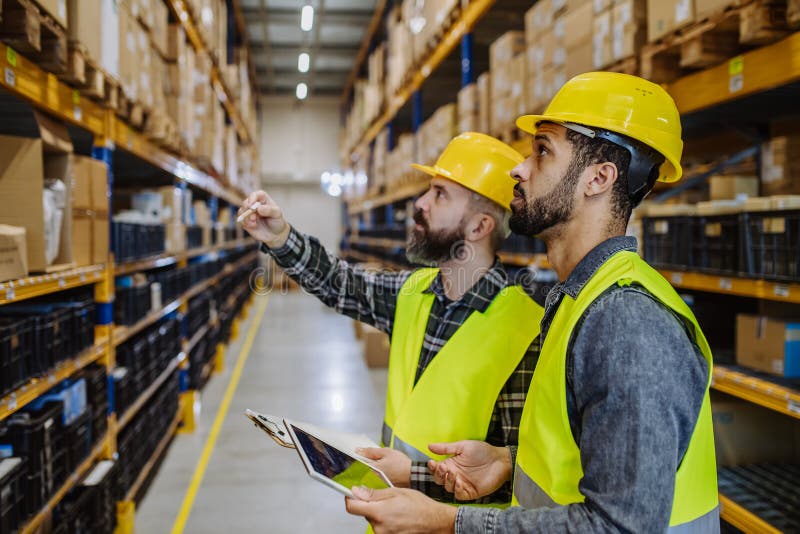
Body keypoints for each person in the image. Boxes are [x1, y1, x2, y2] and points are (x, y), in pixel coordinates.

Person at [345, 71, 720, 533]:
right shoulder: (576, 301)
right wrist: (506, 461)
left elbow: (617, 526)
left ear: (598, 178)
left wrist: (447, 521)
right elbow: (584, 457)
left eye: (543, 150)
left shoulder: (627, 321)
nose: (519, 169)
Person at [240, 132, 544, 507]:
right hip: (394, 516)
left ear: (480, 227)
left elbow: (520, 475)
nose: (420, 204)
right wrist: (280, 237)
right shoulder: (413, 292)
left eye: (439, 194)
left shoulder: (525, 328)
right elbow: (340, 282)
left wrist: (410, 475)